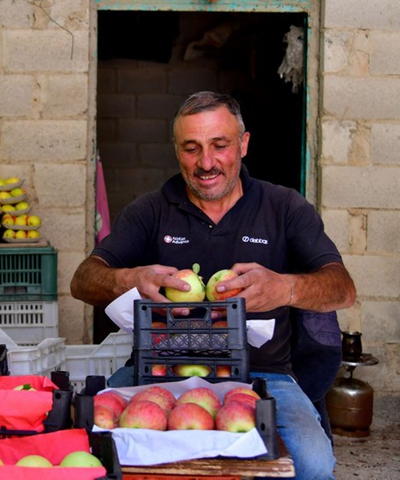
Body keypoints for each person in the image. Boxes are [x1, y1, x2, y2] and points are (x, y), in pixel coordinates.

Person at [70, 91, 356, 480]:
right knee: (88, 446)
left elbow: (342, 288)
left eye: (220, 146)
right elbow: (82, 280)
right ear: (176, 150)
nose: (206, 163)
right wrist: (128, 277)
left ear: (243, 144)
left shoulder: (283, 207)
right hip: (157, 372)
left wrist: (283, 289)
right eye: (192, 148)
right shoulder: (150, 210)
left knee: (312, 463)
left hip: (264, 376)